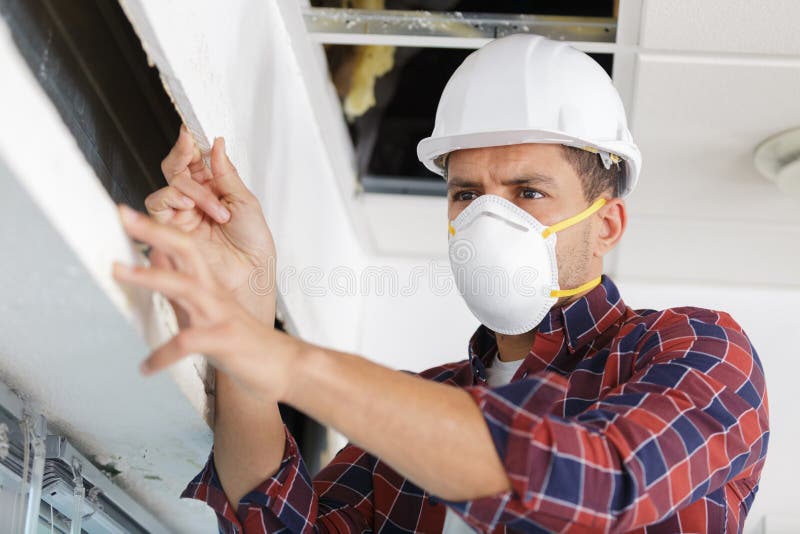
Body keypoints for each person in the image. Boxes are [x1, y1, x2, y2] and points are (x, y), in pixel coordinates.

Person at [113, 35, 769, 533]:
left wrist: (292, 362)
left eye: (528, 191)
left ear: (608, 224)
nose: (490, 217)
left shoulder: (695, 351)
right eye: (466, 194)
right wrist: (249, 316)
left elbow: (600, 485)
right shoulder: (421, 409)